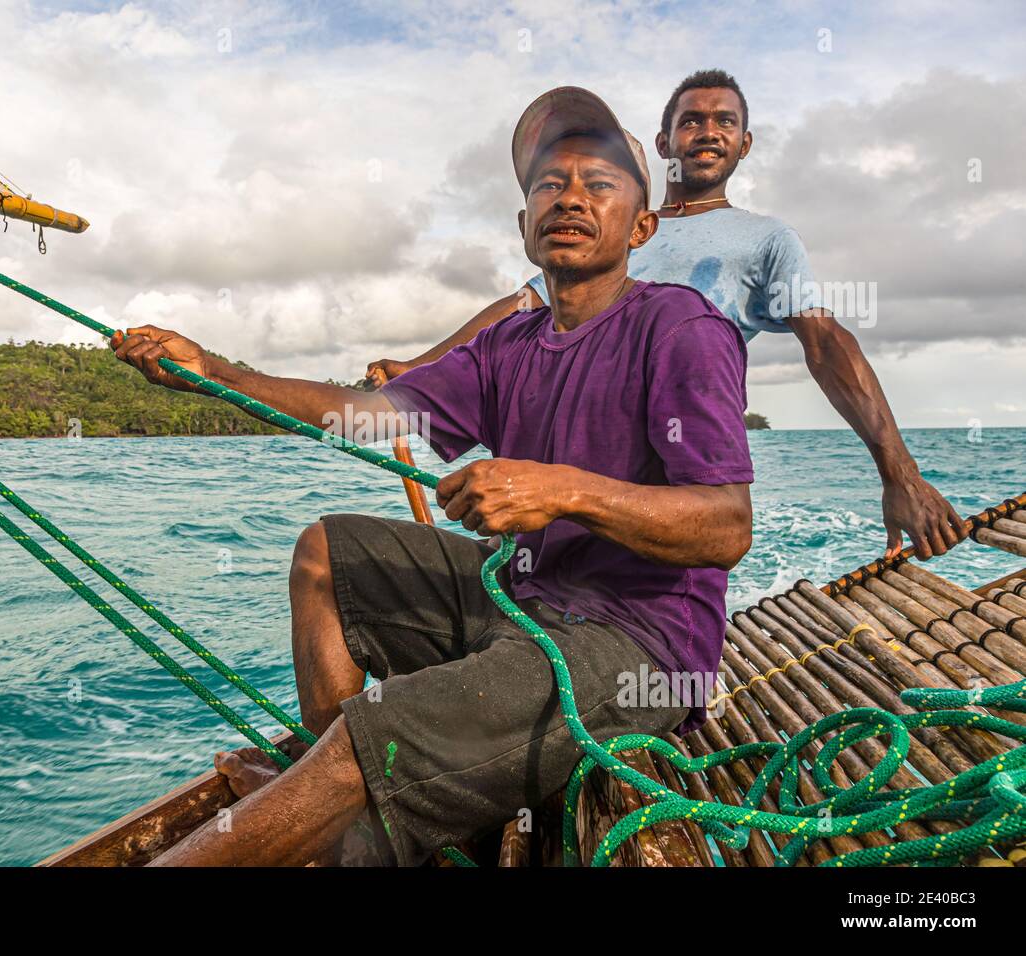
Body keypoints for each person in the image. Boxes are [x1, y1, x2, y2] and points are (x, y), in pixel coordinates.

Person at [112, 87, 753, 866]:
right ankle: (346, 806)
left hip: (645, 643)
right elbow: (367, 413)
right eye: (549, 185)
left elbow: (725, 527)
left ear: (642, 225)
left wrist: (561, 490)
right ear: (524, 227)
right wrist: (212, 371)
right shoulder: (505, 347)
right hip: (521, 597)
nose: (572, 198)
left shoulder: (680, 327)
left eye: (600, 184)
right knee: (327, 555)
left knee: (376, 735)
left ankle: (349, 796)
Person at [369, 69, 966, 562]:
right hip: (561, 435)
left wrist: (899, 472)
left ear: (745, 143)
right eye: (691, 120)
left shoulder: (766, 240)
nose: (708, 132)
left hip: (668, 462)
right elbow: (521, 306)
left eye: (724, 121)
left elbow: (826, 344)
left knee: (661, 599)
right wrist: (419, 366)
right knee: (525, 584)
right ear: (663, 143)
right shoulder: (607, 221)